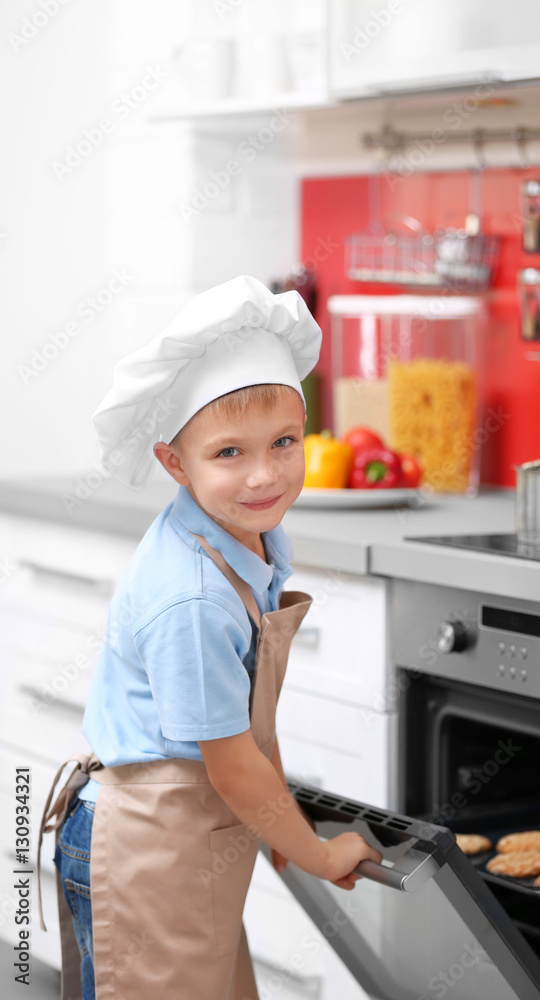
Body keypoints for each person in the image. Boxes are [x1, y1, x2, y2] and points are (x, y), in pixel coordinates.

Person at [37, 275, 382, 1000]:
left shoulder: (245, 535)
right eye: (229, 453)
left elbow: (247, 723)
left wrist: (281, 825)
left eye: (284, 442)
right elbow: (230, 766)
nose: (265, 475)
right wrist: (314, 852)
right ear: (174, 462)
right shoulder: (189, 595)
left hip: (191, 840)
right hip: (149, 845)